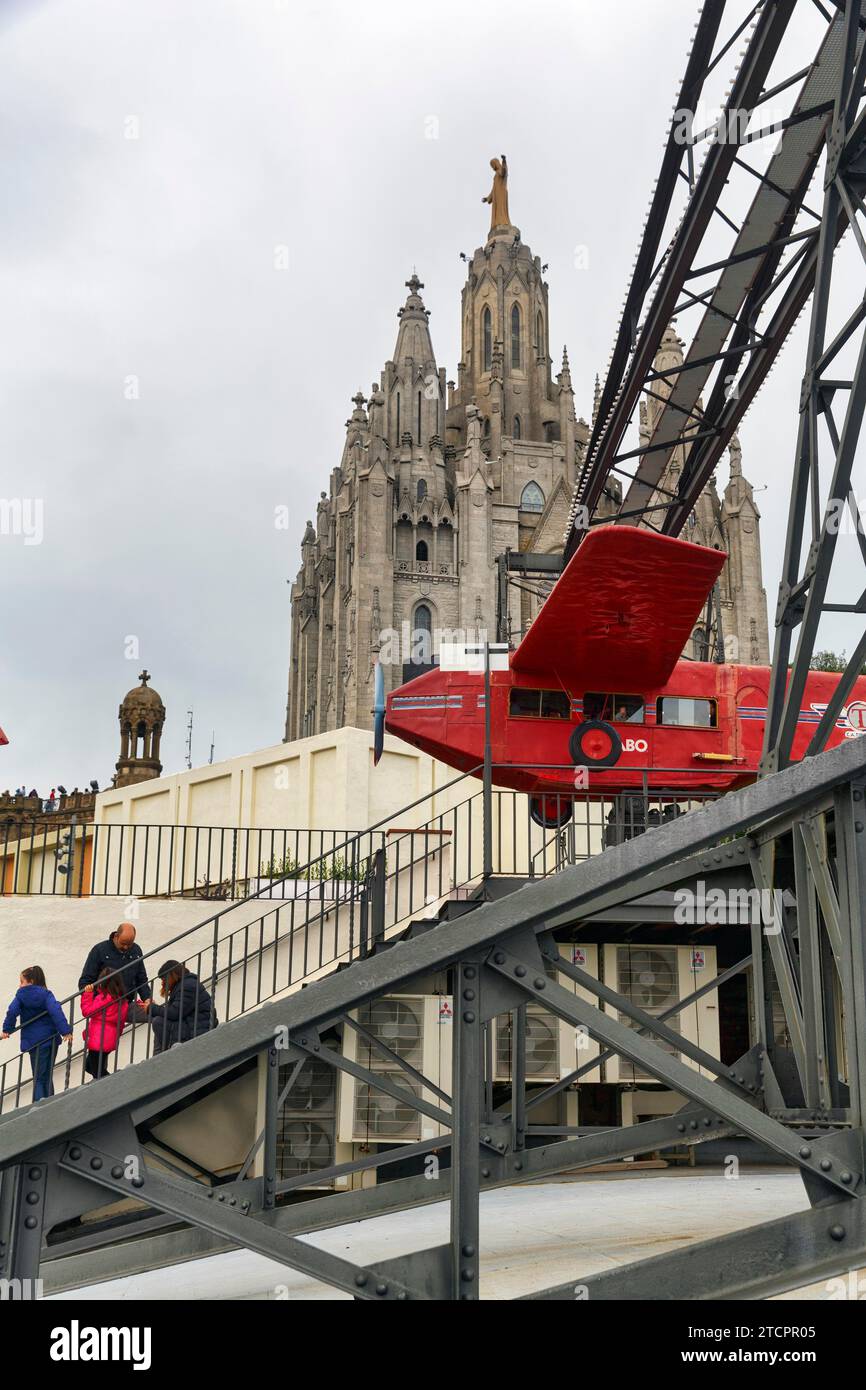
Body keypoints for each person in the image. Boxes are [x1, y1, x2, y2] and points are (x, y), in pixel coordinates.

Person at [1, 966, 72, 1100]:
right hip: (51, 1039)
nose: (20, 985)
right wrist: (65, 1031)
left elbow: (12, 1012)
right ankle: (50, 1103)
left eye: (22, 981)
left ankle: (39, 1105)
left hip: (35, 1042)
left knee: (39, 1078)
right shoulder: (46, 994)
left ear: (31, 981)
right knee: (47, 1074)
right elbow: (55, 1010)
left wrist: (7, 1029)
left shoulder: (21, 995)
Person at [142, 961, 218, 1053]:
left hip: (199, 1027)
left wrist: (152, 1008)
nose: (162, 983)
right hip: (192, 1023)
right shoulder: (184, 985)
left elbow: (175, 1013)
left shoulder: (188, 986)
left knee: (159, 1022)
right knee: (159, 1021)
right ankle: (158, 1056)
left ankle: (162, 1055)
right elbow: (175, 1012)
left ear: (171, 976)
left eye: (164, 979)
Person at [78, 922, 151, 1007]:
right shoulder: (99, 950)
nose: (126, 947)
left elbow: (141, 979)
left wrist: (147, 998)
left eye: (129, 944)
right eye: (123, 943)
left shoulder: (136, 950)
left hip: (126, 1004)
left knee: (155, 1015)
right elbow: (85, 981)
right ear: (116, 936)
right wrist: (98, 1002)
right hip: (105, 1006)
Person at [80, 967, 129, 1079]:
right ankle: (110, 1081)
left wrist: (87, 994)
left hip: (98, 1039)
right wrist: (116, 1036)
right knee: (91, 1067)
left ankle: (113, 1083)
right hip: (109, 1038)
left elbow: (87, 1012)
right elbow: (121, 1022)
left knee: (97, 1072)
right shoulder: (122, 1001)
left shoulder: (104, 998)